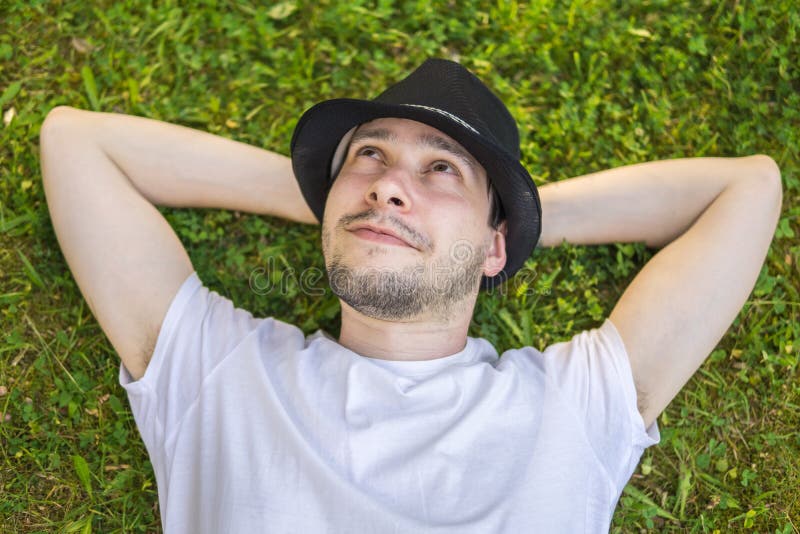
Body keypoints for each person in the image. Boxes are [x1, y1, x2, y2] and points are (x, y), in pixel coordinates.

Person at [39, 58, 782, 533]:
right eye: (372, 155)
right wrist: (349, 202)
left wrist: (511, 225)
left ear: (496, 247)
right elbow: (74, 142)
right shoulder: (218, 373)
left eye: (442, 170)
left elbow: (748, 188)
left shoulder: (574, 406)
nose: (391, 181)